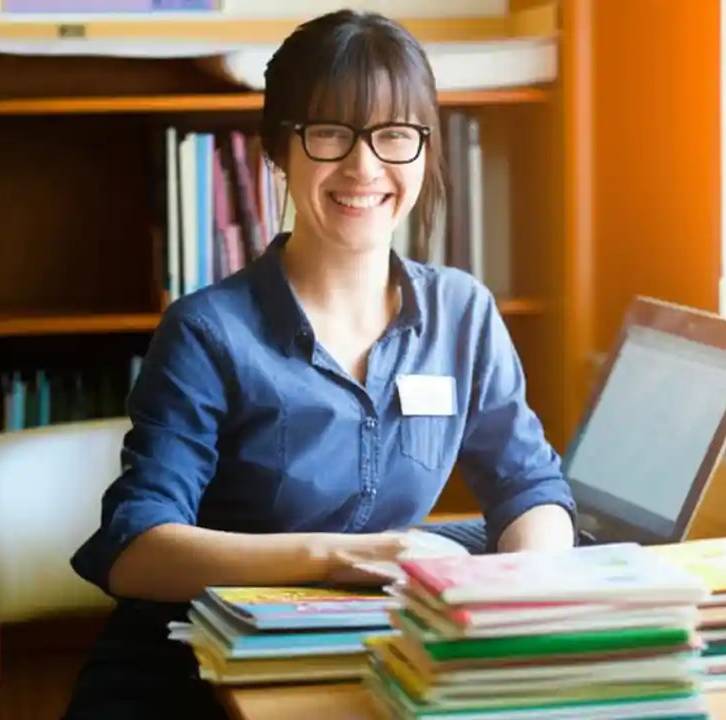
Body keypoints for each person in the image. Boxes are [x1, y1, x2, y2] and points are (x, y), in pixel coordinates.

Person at [61, 10, 576, 719]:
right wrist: (338, 557)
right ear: (279, 149)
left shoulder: (463, 314)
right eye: (331, 132)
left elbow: (530, 485)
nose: (365, 167)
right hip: (187, 670)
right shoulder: (209, 332)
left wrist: (527, 594)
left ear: (425, 150)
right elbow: (137, 549)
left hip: (360, 658)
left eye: (395, 135)